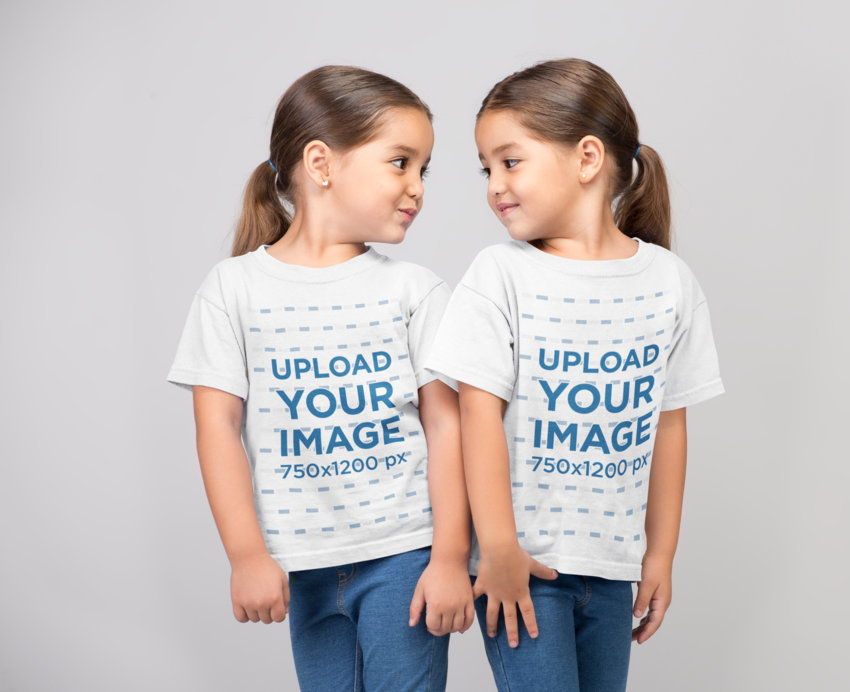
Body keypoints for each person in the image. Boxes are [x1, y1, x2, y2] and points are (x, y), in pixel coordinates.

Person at [167, 65, 473, 692]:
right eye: (400, 162)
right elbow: (217, 426)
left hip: (405, 555)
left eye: (424, 169)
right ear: (321, 163)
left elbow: (449, 426)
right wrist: (247, 554)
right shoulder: (233, 290)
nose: (417, 187)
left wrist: (448, 556)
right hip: (301, 566)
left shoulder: (414, 291)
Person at [425, 58, 724, 691]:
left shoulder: (670, 282)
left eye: (510, 162)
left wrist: (660, 553)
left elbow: (669, 426)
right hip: (522, 569)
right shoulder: (499, 275)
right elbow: (477, 414)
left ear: (587, 158)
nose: (493, 186)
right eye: (486, 169)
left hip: (612, 571)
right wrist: (499, 549)